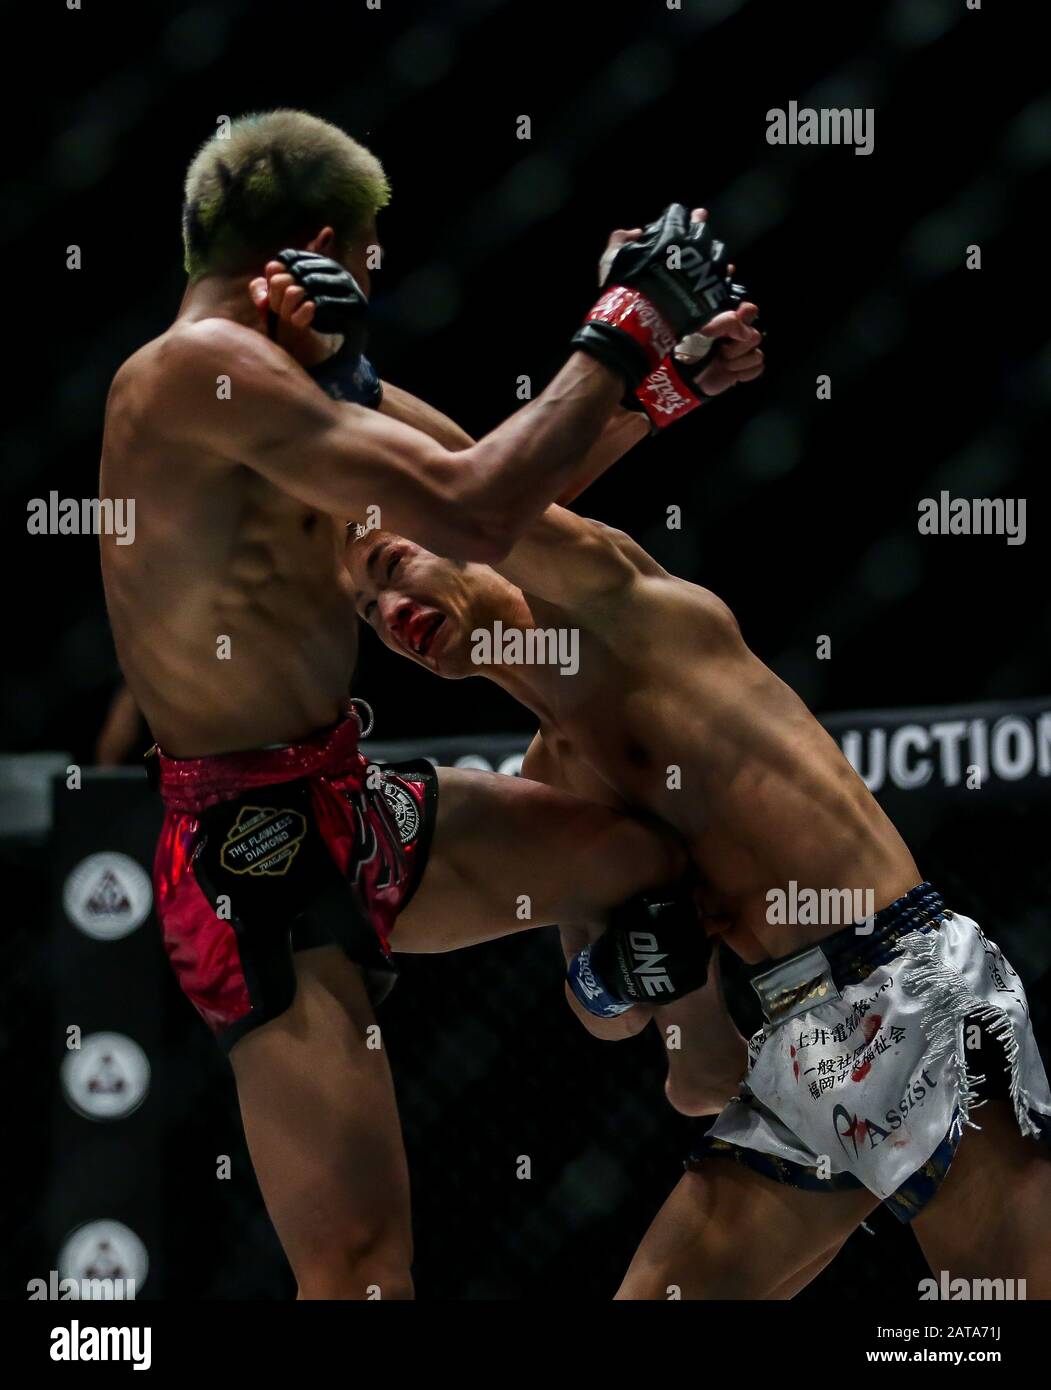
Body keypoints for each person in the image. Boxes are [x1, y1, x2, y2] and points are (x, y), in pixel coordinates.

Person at [98, 108, 734, 1298]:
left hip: (347, 795)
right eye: (370, 257)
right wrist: (620, 322)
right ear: (320, 248)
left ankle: (648, 1026)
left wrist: (661, 385)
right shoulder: (191, 374)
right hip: (249, 850)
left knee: (640, 862)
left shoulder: (303, 383)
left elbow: (510, 498)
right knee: (361, 1272)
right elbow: (475, 505)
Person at [344, 354, 1051, 1301]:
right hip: (792, 1054)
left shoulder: (618, 606)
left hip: (901, 989)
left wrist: (345, 380)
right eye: (366, 611)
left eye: (393, 565)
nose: (391, 614)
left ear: (467, 536)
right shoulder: (549, 778)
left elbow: (479, 483)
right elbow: (597, 1010)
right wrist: (622, 974)